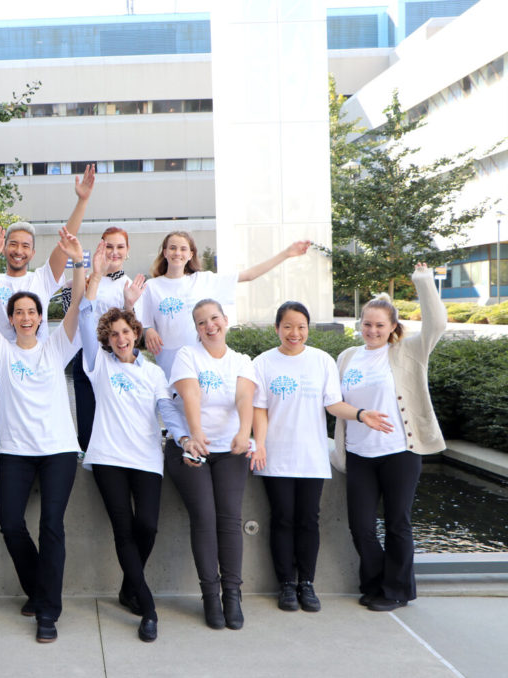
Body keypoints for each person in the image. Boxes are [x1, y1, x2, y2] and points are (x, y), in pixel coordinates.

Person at [0, 226, 86, 644]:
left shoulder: (57, 348)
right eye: (18, 313)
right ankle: (39, 587)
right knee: (9, 525)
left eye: (31, 312)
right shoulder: (0, 354)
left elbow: (77, 303)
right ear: (12, 319)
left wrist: (77, 260)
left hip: (58, 450)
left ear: (41, 318)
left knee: (52, 527)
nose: (25, 318)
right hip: (15, 452)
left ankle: (48, 611)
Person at [251, 301, 393, 613]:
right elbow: (258, 410)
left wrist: (360, 414)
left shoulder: (322, 361)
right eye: (287, 326)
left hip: (311, 456)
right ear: (277, 328)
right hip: (276, 455)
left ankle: (307, 584)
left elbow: (333, 404)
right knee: (283, 518)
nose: (294, 333)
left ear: (308, 329)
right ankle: (286, 584)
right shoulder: (263, 363)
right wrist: (259, 444)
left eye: (301, 327)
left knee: (308, 520)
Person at [0, 160, 95, 459]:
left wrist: (81, 200)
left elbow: (67, 239)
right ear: (4, 249)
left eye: (25, 246)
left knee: (43, 436)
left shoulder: (41, 278)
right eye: (12, 244)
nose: (18, 250)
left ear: (33, 252)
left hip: (38, 372)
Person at [77, 242, 182, 643]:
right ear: (107, 339)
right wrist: (96, 275)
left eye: (126, 332)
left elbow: (167, 411)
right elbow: (86, 317)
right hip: (107, 458)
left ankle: (127, 588)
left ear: (136, 334)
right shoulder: (97, 363)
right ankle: (147, 607)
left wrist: (184, 435)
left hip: (146, 459)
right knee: (123, 531)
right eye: (114, 333)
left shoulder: (153, 373)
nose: (121, 338)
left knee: (148, 528)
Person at [334, 263, 446, 612]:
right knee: (361, 527)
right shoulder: (347, 357)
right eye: (367, 324)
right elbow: (334, 403)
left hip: (399, 451)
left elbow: (437, 324)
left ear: (393, 327)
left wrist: (423, 282)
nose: (372, 330)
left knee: (398, 524)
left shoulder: (409, 351)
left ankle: (395, 591)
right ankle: (375, 584)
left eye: (380, 325)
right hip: (359, 454)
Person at [166, 299, 257, 631]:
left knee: (230, 519)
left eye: (214, 318)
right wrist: (196, 434)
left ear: (225, 320)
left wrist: (244, 434)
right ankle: (210, 594)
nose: (210, 325)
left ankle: (232, 594)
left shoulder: (241, 361)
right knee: (203, 517)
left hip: (230, 449)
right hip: (193, 449)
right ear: (197, 329)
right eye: (202, 322)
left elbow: (244, 398)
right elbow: (190, 396)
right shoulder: (188, 356)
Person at [142, 231, 311, 377]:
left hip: (200, 363)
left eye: (183, 248)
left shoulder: (203, 280)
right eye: (172, 248)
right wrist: (148, 329)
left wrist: (286, 254)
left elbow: (248, 275)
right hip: (168, 363)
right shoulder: (151, 286)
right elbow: (142, 320)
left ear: (191, 254)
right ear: (164, 252)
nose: (177, 252)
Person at [65, 226, 143, 450]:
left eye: (120, 247)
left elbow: (135, 335)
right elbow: (70, 313)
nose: (114, 252)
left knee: (116, 420)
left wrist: (129, 304)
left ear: (128, 250)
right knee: (88, 424)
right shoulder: (87, 280)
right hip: (86, 356)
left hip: (116, 360)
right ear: (101, 247)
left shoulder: (131, 286)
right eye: (109, 246)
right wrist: (76, 285)